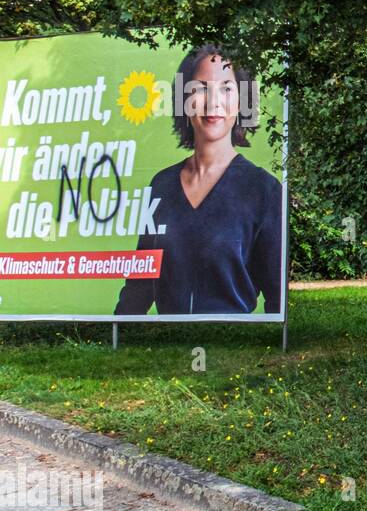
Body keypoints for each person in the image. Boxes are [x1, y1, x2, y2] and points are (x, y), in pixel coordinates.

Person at [115, 45, 283, 316]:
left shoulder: (264, 190)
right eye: (201, 88)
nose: (213, 102)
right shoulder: (161, 185)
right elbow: (141, 282)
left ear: (242, 100)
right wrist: (117, 340)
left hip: (229, 344)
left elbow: (277, 297)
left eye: (226, 88)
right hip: (165, 346)